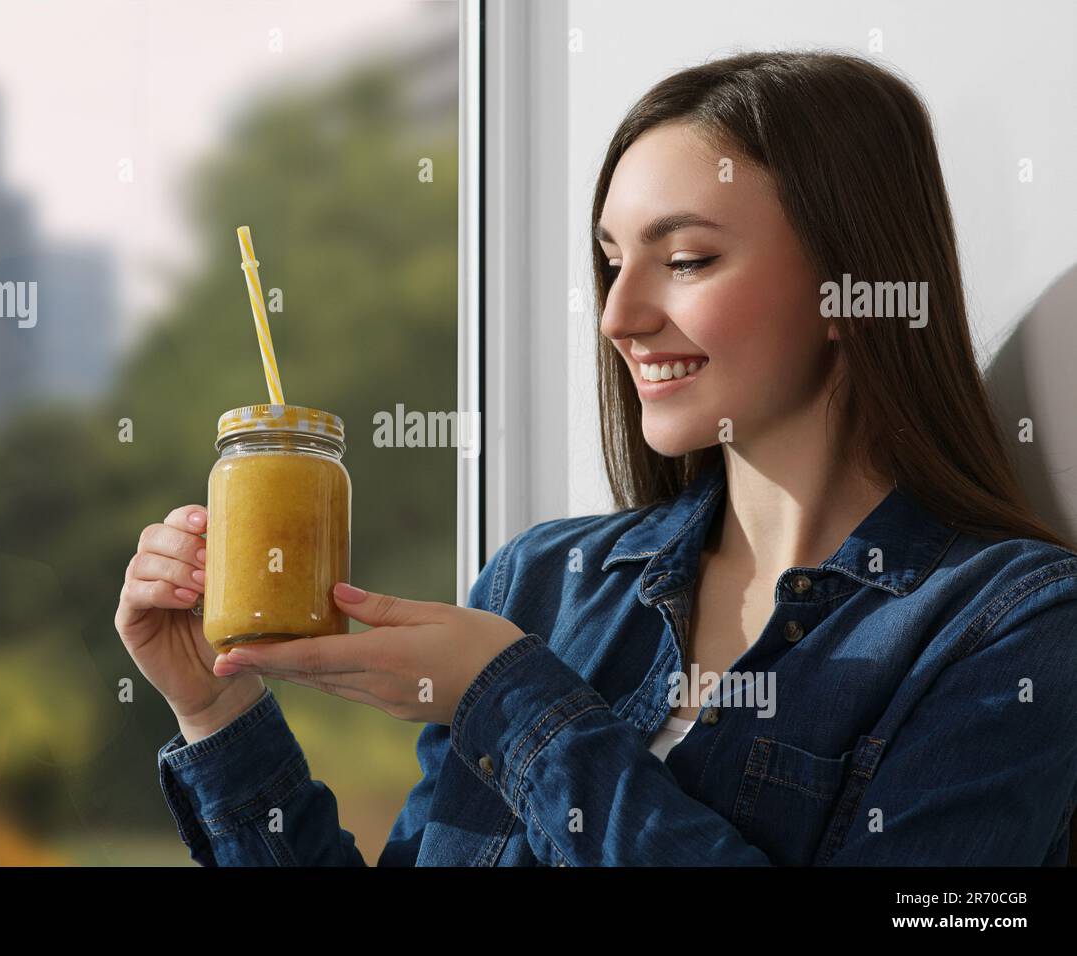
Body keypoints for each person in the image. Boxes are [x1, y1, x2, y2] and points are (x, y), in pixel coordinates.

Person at [114, 50, 1077, 866]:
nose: (618, 316)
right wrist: (217, 709)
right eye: (612, 261)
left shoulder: (1015, 629)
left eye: (687, 259)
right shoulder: (543, 582)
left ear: (848, 283)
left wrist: (513, 699)